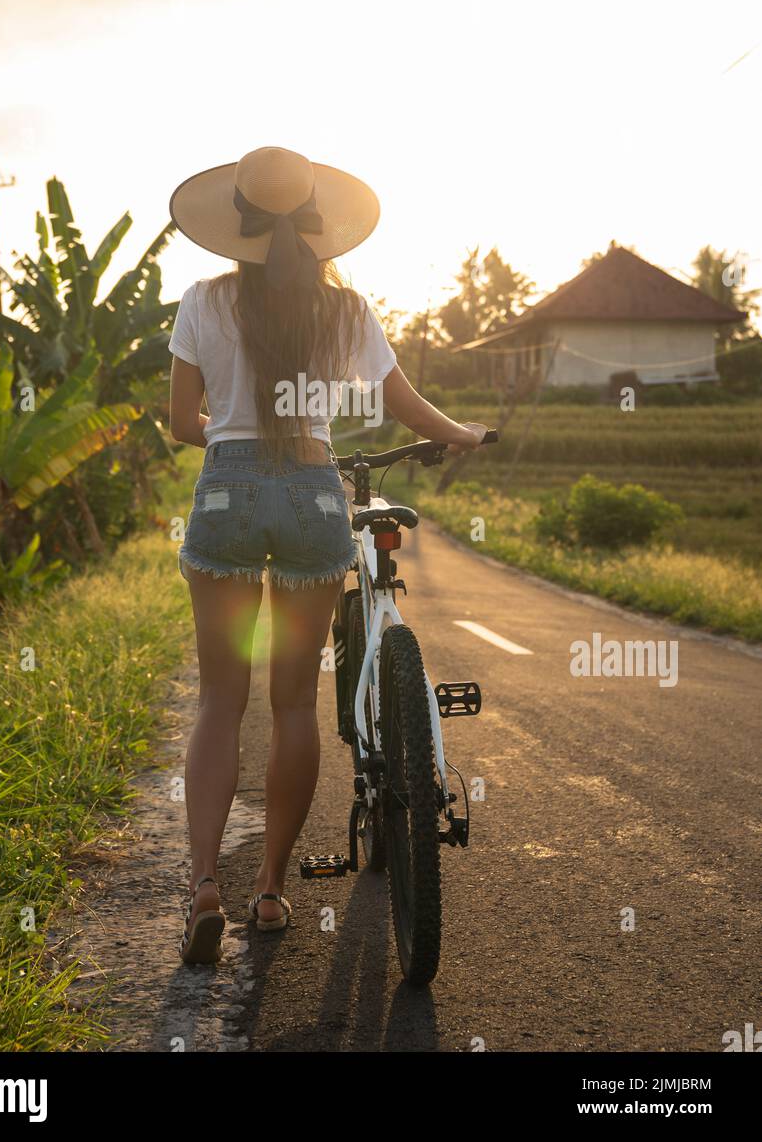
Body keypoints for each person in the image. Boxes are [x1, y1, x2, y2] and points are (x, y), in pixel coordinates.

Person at [167, 145, 487, 964]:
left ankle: (206, 885)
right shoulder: (346, 311)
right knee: (292, 707)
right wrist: (456, 434)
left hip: (226, 494)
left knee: (219, 703)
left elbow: (180, 424)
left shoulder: (203, 301)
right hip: (314, 494)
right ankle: (271, 891)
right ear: (316, 225)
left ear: (234, 227)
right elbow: (403, 402)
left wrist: (232, 435)